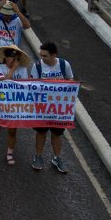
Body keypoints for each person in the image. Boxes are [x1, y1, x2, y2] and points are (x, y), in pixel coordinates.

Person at [30, 42, 75, 174]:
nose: (42, 58)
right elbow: (32, 85)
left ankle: (57, 158)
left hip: (58, 108)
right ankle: (38, 156)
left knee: (56, 134)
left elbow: (71, 81)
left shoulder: (64, 65)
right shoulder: (37, 66)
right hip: (42, 107)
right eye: (41, 55)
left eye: (45, 56)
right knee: (41, 132)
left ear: (53, 55)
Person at [0, 45, 30, 166]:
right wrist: (12, 70)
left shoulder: (23, 70)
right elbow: (3, 81)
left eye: (16, 58)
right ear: (6, 58)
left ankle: (9, 153)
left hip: (15, 106)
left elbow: (24, 86)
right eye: (11, 57)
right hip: (0, 105)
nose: (14, 60)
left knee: (12, 131)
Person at [0, 0, 30, 110]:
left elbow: (27, 25)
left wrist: (18, 11)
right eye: (5, 15)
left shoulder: (17, 20)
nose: (7, 18)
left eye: (9, 15)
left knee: (11, 80)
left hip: (12, 56)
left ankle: (9, 103)